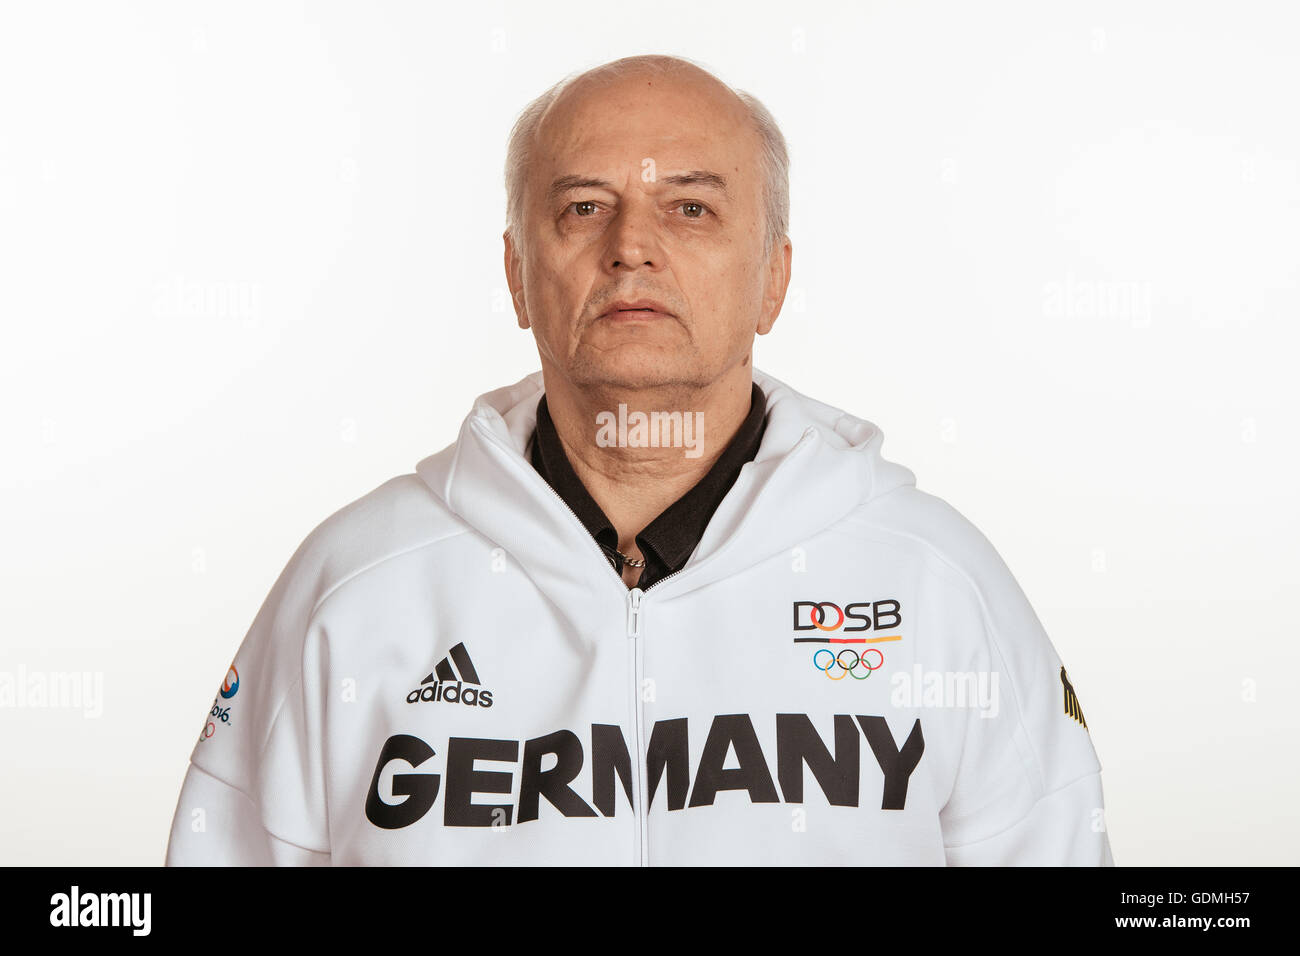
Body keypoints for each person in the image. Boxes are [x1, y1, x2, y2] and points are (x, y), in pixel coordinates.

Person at [165, 54, 1113, 866]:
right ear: (516, 275)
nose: (632, 249)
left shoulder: (937, 586)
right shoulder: (356, 587)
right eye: (583, 207)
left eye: (691, 209)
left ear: (773, 278)